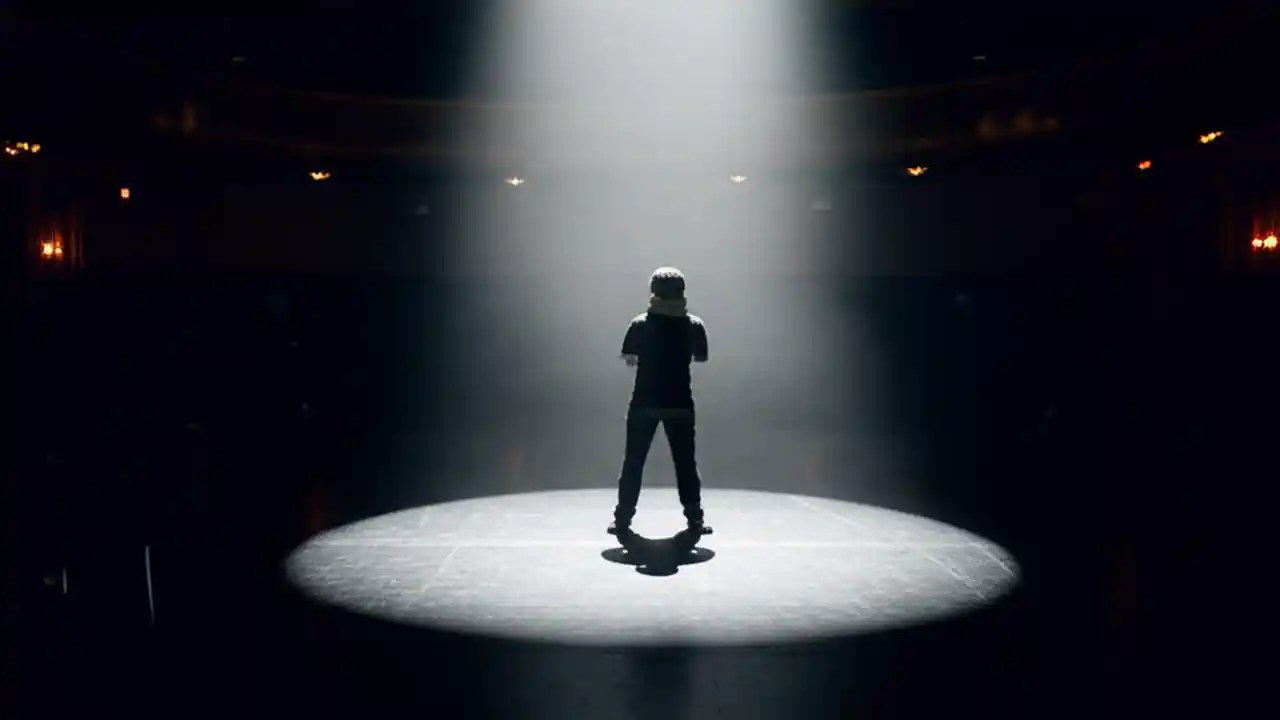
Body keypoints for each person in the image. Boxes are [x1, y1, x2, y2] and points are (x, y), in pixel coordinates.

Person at [609, 267, 711, 536]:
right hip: (680, 402)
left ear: (653, 291)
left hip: (644, 402)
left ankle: (622, 519)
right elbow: (699, 357)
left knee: (634, 461)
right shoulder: (694, 326)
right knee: (685, 463)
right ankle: (695, 519)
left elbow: (630, 359)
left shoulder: (640, 324)